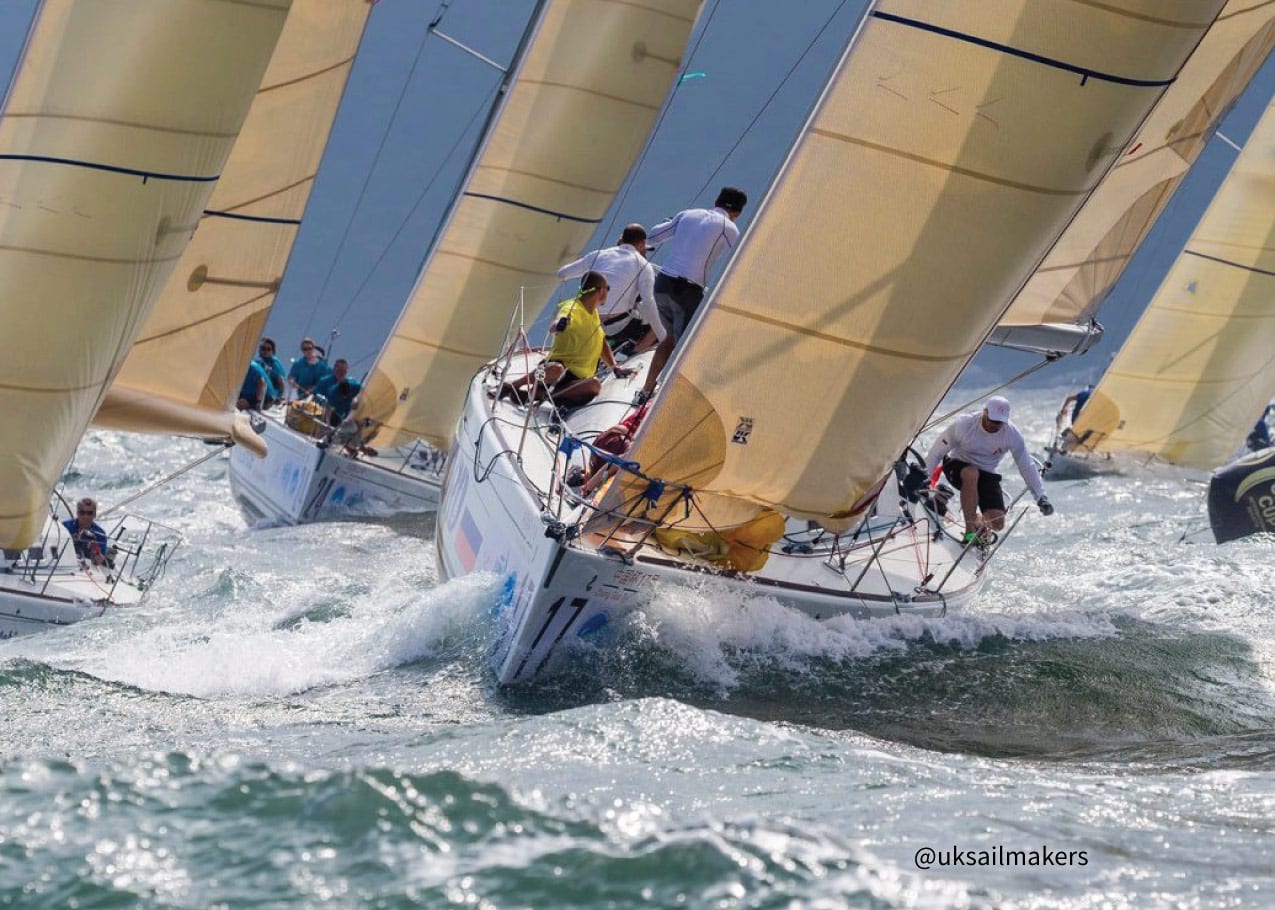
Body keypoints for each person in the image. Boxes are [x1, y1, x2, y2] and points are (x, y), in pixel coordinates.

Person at [636, 186, 747, 403]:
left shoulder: (688, 215)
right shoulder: (730, 228)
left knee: (668, 340)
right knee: (687, 345)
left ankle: (646, 390)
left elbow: (653, 236)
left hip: (662, 285)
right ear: (737, 213)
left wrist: (672, 221)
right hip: (688, 291)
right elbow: (744, 256)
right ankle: (669, 399)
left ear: (717, 200)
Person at [916, 396, 1053, 543]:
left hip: (986, 473)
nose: (995, 425)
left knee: (998, 523)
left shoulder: (1012, 434)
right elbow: (936, 453)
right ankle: (969, 534)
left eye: (999, 422)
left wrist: (1041, 498)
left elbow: (1026, 465)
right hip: (956, 465)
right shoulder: (963, 424)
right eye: (992, 420)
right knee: (971, 473)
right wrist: (923, 480)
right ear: (984, 412)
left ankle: (974, 520)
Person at [498, 271, 634, 408]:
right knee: (557, 369)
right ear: (601, 291)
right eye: (608, 288)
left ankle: (540, 395)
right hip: (555, 372)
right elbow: (555, 325)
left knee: (595, 385)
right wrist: (559, 326)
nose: (608, 292)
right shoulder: (572, 308)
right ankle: (514, 385)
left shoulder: (594, 313)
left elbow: (602, 343)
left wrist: (615, 367)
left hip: (574, 383)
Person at [557, 224, 665, 357]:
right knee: (663, 316)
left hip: (587, 322)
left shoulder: (598, 255)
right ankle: (636, 352)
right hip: (618, 327)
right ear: (642, 244)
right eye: (644, 251)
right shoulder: (643, 265)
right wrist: (663, 336)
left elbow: (562, 273)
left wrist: (586, 268)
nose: (645, 254)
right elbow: (649, 303)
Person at [61, 497, 110, 566]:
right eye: (82, 512)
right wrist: (70, 540)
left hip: (87, 567)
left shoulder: (100, 534)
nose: (85, 516)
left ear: (94, 514)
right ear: (77, 513)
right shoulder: (64, 527)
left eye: (89, 513)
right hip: (64, 563)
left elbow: (99, 561)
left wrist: (95, 551)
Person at [314, 358, 363, 424]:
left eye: (343, 371)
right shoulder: (325, 382)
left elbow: (360, 389)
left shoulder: (353, 385)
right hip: (324, 415)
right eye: (339, 370)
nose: (341, 373)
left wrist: (356, 399)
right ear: (334, 369)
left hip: (344, 418)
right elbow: (317, 398)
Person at [255, 337, 287, 408]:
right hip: (259, 392)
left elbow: (281, 381)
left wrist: (280, 397)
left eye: (268, 349)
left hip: (271, 396)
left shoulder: (274, 363)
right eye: (263, 348)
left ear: (273, 351)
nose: (266, 351)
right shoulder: (259, 362)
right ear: (260, 350)